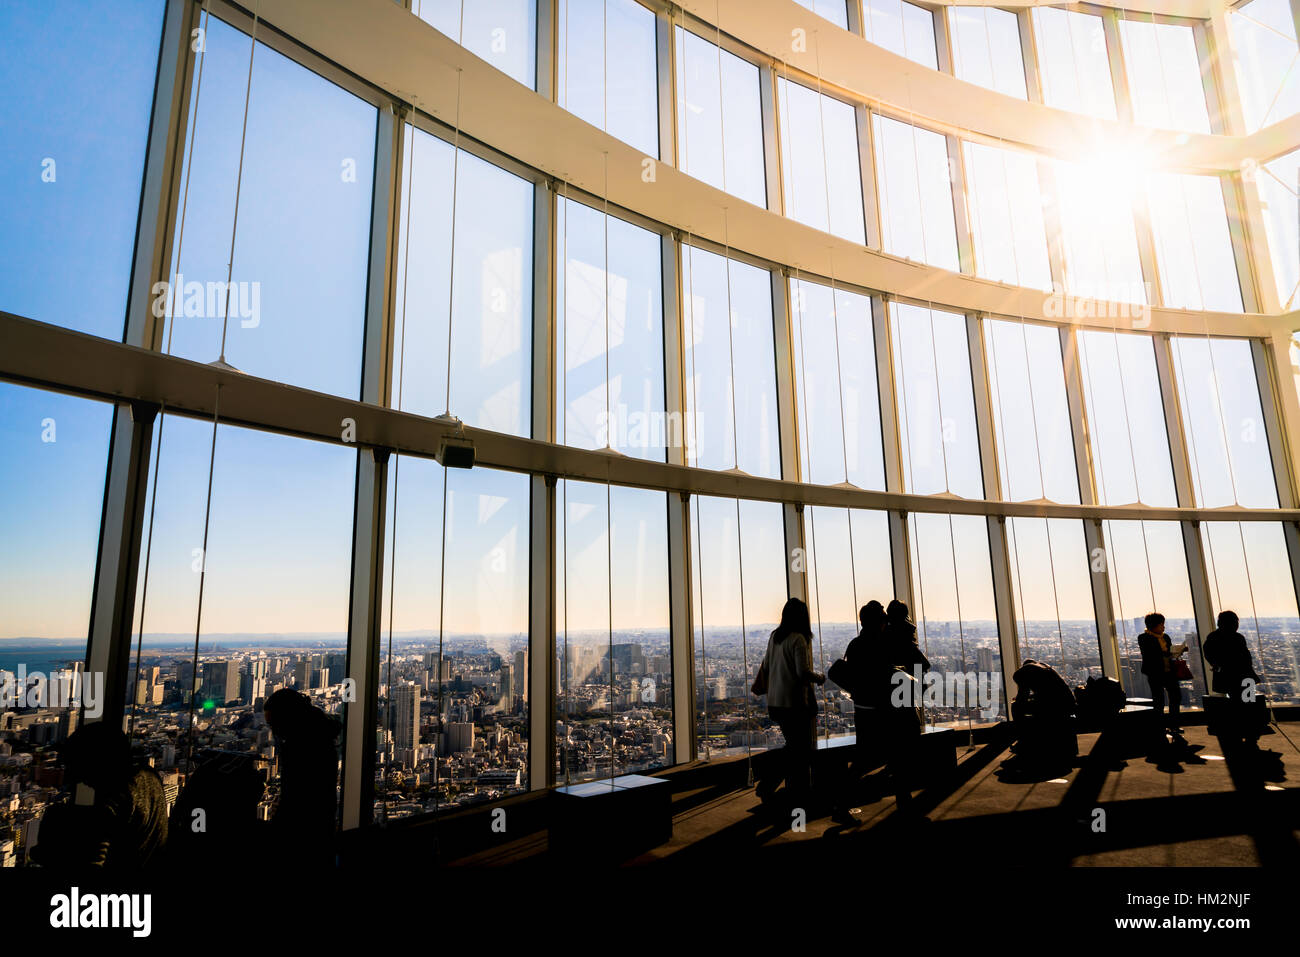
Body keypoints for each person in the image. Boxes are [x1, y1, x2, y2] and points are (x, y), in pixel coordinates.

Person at [32, 723, 168, 869]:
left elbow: (96, 857)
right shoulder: (149, 776)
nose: (77, 779)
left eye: (78, 767)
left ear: (97, 763)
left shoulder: (116, 797)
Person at [752, 598, 824, 810]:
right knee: (798, 749)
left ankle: (786, 788)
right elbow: (802, 673)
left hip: (775, 702)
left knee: (794, 747)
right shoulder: (798, 639)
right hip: (795, 703)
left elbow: (765, 665)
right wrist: (819, 677)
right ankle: (770, 784)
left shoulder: (775, 636)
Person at [263, 688, 342, 861]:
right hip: (320, 834)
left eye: (274, 724)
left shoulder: (300, 747)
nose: (274, 731)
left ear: (287, 718)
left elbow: (296, 801)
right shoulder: (322, 735)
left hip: (302, 838)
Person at [1203, 610, 1265, 750]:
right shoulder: (1238, 637)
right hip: (1244, 675)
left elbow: (1210, 655)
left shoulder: (1214, 637)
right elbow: (1244, 657)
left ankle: (1241, 731)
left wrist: (1218, 666)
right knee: (1248, 702)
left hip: (1230, 676)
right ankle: (1250, 731)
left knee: (1237, 703)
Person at [1138, 612, 1184, 735]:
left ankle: (1174, 725)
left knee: (1175, 697)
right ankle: (1160, 726)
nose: (1164, 627)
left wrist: (1176, 652)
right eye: (1161, 624)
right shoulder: (1144, 638)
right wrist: (1167, 653)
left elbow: (1167, 652)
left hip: (1169, 672)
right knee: (1159, 700)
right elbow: (1150, 654)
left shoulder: (1166, 637)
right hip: (1155, 673)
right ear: (1153, 625)